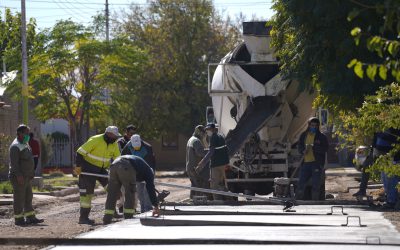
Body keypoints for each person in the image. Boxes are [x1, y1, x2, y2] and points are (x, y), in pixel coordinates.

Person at [75, 126, 121, 224]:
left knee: (113, 189)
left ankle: (111, 212)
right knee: (87, 194)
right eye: (115, 136)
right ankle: (83, 218)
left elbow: (118, 159)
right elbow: (80, 152)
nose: (116, 138)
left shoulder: (114, 144)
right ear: (108, 134)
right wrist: (78, 167)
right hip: (88, 168)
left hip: (101, 170)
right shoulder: (96, 140)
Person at [103, 155, 160, 224]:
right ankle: (128, 217)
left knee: (112, 193)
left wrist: (118, 189)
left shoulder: (142, 166)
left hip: (114, 165)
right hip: (126, 166)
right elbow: (151, 189)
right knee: (130, 192)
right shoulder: (149, 173)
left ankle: (107, 218)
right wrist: (156, 205)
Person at [9, 124, 44, 226]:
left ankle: (31, 217)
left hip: (27, 176)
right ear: (20, 133)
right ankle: (19, 219)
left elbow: (29, 160)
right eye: (26, 133)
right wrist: (19, 175)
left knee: (28, 197)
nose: (28, 135)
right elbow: (14, 163)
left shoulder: (25, 143)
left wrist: (31, 173)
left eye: (28, 133)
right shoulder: (15, 146)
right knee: (19, 198)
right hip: (18, 177)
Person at [296, 117, 329, 200]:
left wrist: (314, 147)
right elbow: (299, 146)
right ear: (309, 125)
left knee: (316, 184)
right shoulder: (304, 135)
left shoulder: (321, 137)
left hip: (316, 164)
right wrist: (303, 151)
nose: (313, 127)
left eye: (315, 125)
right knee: (301, 183)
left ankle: (315, 201)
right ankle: (298, 200)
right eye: (312, 125)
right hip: (306, 163)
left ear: (318, 126)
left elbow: (325, 149)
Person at [121, 134, 156, 213]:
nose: (136, 147)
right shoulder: (127, 148)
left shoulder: (147, 147)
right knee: (140, 190)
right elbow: (123, 159)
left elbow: (151, 162)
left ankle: (148, 208)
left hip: (147, 169)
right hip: (135, 171)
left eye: (138, 146)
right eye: (135, 146)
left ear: (140, 141)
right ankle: (143, 208)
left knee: (147, 189)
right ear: (131, 143)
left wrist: (150, 173)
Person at [196, 123, 229, 200]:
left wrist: (201, 164)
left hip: (216, 165)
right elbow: (224, 149)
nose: (208, 131)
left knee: (214, 185)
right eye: (207, 130)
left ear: (214, 129)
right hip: (223, 164)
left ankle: (217, 202)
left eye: (209, 129)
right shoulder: (221, 136)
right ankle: (228, 199)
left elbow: (211, 152)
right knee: (221, 184)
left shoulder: (213, 137)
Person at [373, 128, 400, 209]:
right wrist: (374, 149)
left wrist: (384, 135)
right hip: (382, 154)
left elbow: (395, 138)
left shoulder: (394, 125)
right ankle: (389, 199)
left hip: (393, 155)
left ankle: (391, 201)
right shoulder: (381, 125)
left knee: (390, 179)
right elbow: (376, 136)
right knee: (385, 178)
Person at [186, 125, 209, 198]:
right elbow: (200, 152)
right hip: (194, 168)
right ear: (199, 132)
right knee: (199, 186)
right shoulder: (196, 141)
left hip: (190, 167)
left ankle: (192, 200)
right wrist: (210, 151)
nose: (204, 134)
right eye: (203, 132)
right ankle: (198, 203)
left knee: (194, 186)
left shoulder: (191, 139)